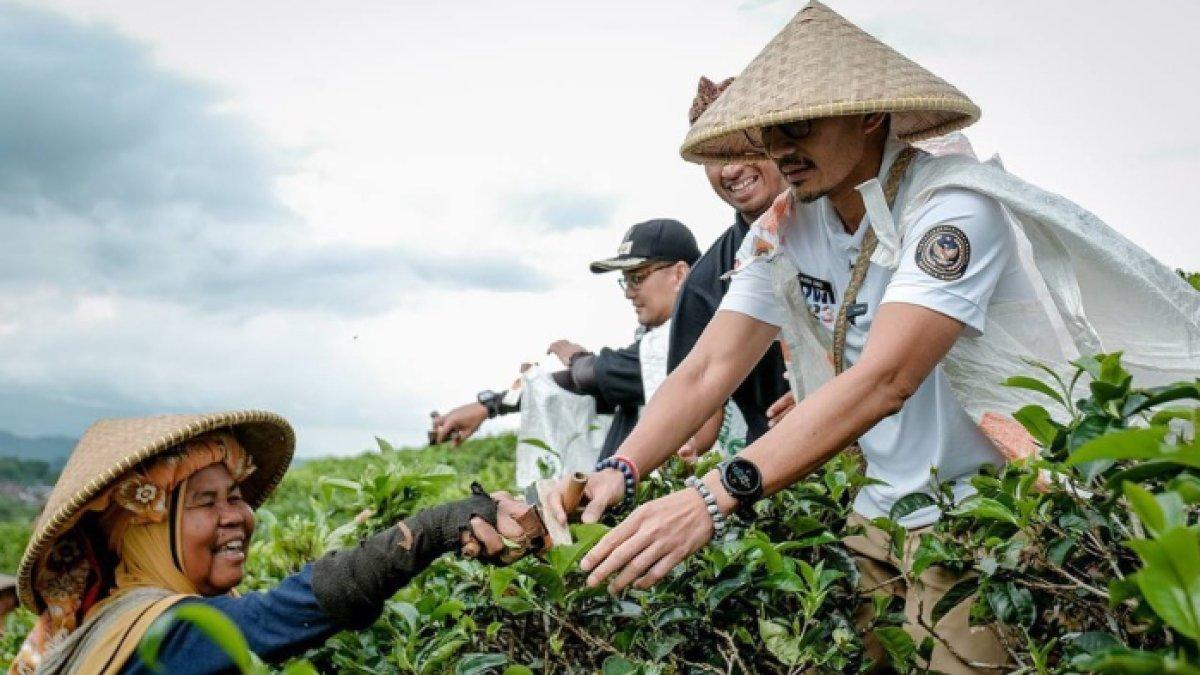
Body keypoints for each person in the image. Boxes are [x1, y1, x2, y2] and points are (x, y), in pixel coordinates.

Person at [549, 3, 1200, 673]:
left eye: (798, 124)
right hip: (877, 515)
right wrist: (618, 470)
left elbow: (887, 378)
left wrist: (713, 497)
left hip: (973, 514)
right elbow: (708, 366)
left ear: (867, 112)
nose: (779, 148)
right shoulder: (788, 227)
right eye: (766, 130)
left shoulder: (950, 209)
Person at [9, 411, 540, 674]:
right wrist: (435, 528)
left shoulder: (115, 618)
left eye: (236, 495)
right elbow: (276, 616)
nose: (236, 516)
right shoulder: (155, 633)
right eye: (204, 501)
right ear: (146, 530)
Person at [430, 219, 701, 478]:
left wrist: (574, 356)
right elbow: (585, 384)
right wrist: (489, 407)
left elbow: (593, 375)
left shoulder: (692, 341)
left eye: (637, 278)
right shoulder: (655, 346)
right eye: (625, 281)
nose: (629, 293)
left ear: (679, 274)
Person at [671, 76, 792, 462]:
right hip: (786, 476)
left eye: (744, 145)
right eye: (713, 157)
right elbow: (696, 402)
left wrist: (826, 393)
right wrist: (672, 444)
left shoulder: (851, 228)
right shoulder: (708, 281)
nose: (731, 169)